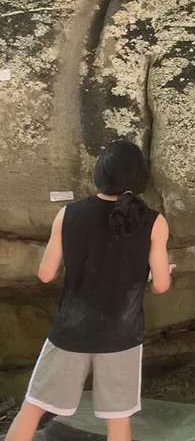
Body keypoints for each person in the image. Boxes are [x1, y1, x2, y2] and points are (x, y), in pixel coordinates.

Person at [5, 140, 172, 441]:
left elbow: (45, 275)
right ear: (139, 178)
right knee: (118, 423)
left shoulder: (68, 215)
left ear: (99, 175)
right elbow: (161, 285)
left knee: (32, 409)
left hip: (71, 332)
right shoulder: (155, 222)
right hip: (122, 336)